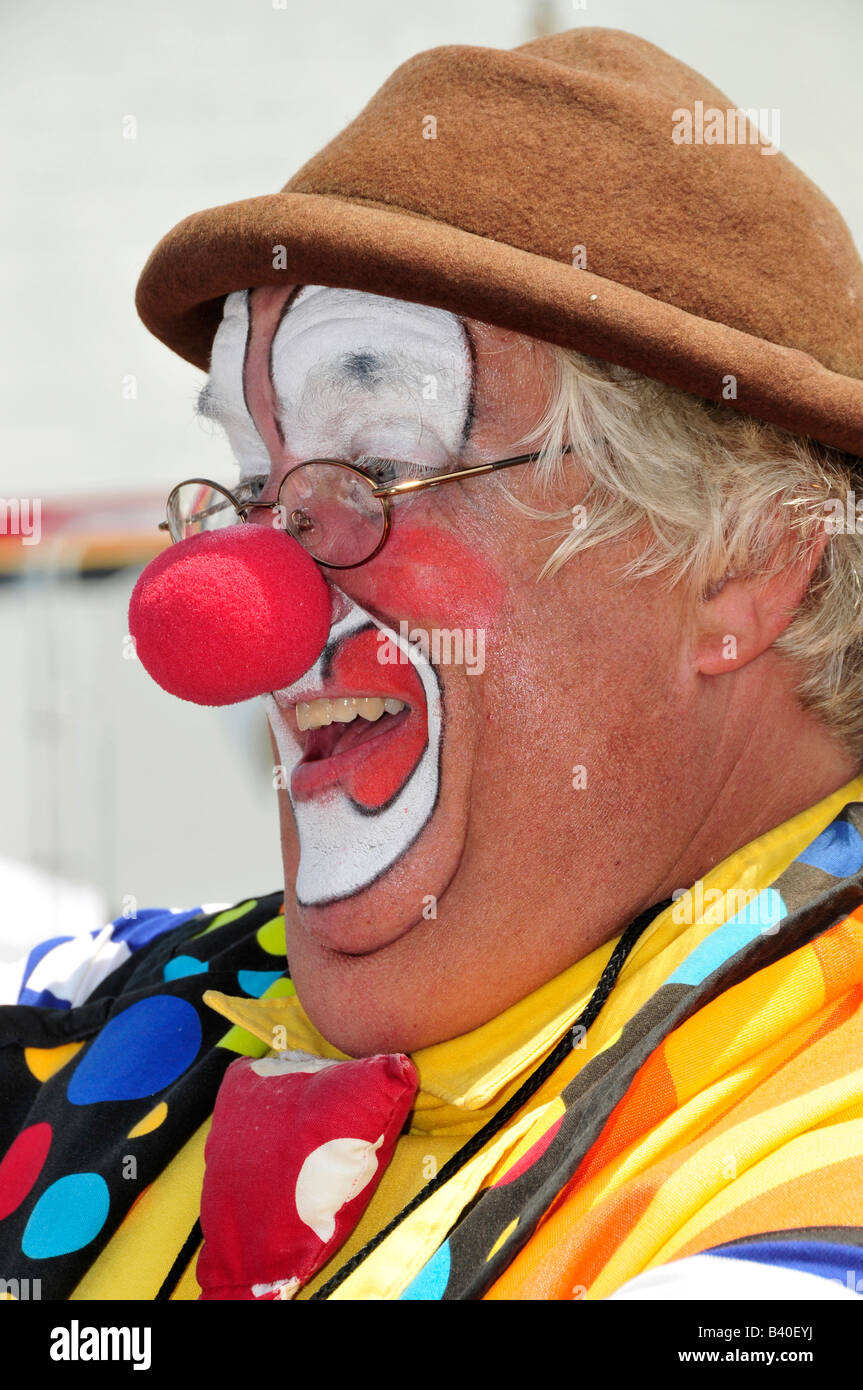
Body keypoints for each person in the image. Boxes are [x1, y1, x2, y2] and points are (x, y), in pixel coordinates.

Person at [3, 25, 863, 1302]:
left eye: (377, 469)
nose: (240, 607)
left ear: (740, 559)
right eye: (251, 484)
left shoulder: (803, 1177)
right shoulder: (124, 1013)